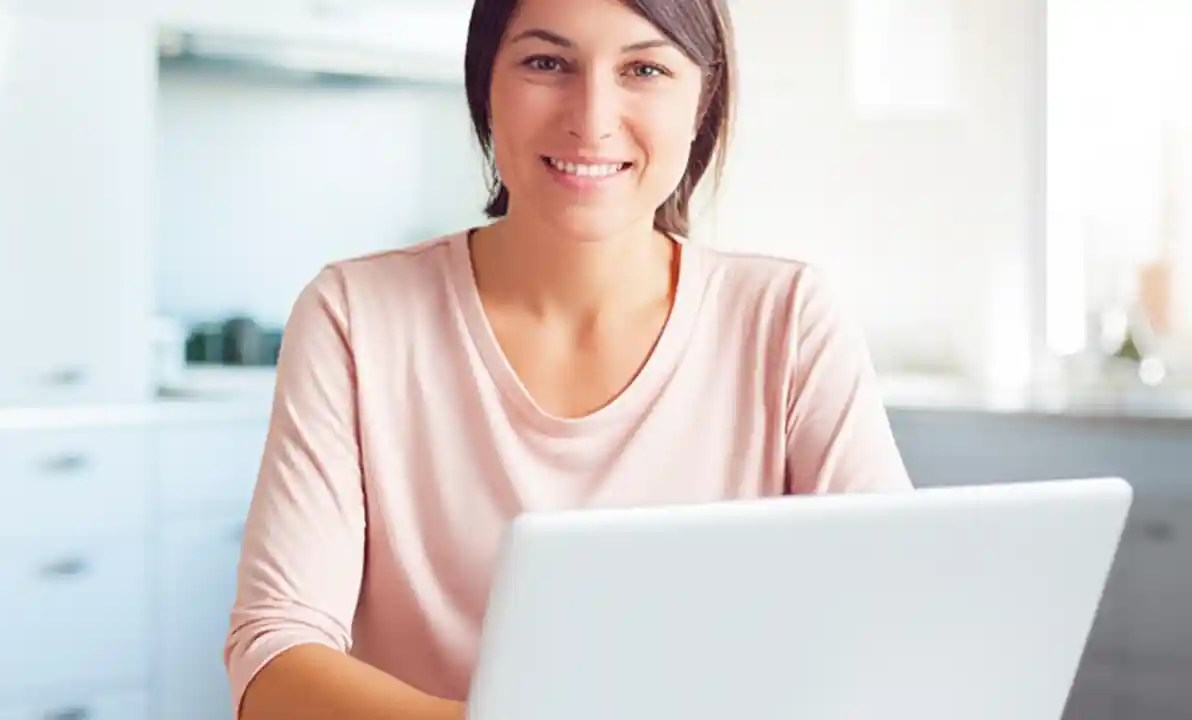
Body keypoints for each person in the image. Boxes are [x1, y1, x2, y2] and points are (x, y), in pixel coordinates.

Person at [225, 0, 912, 717]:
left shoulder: (788, 320)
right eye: (546, 63)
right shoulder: (355, 315)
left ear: (702, 100)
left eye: (643, 68)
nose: (592, 117)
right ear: (484, 85)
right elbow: (274, 659)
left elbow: (893, 618)